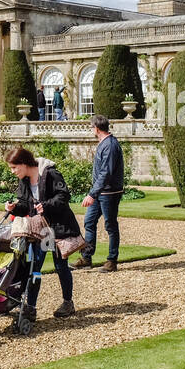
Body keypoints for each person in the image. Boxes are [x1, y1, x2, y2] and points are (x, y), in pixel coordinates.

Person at [4, 147, 77, 320]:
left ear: (24, 163)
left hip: (58, 226)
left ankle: (68, 302)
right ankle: (31, 307)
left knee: (61, 266)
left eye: (14, 167)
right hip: (41, 230)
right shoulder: (24, 180)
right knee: (34, 267)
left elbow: (64, 195)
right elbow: (24, 205)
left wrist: (47, 205)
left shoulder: (50, 173)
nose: (13, 172)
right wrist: (15, 208)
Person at [72, 114, 123, 273]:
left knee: (110, 225)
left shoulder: (110, 145)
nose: (91, 129)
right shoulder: (105, 143)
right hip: (101, 192)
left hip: (109, 192)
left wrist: (92, 194)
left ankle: (112, 260)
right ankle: (87, 258)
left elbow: (105, 173)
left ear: (97, 128)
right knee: (89, 221)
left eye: (91, 127)